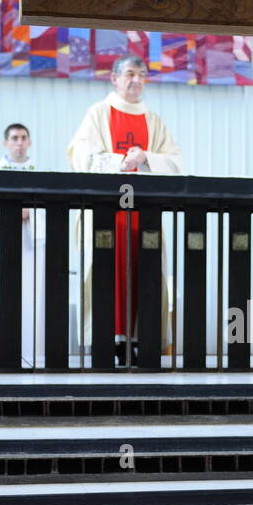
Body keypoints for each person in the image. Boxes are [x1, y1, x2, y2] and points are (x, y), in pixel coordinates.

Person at [67, 54, 184, 364]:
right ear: (114, 79)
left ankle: (141, 339)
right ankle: (109, 340)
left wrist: (146, 158)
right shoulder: (98, 113)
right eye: (129, 74)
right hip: (107, 212)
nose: (136, 80)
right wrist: (121, 162)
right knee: (107, 274)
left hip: (143, 215)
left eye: (141, 75)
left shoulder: (153, 120)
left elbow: (174, 161)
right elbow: (80, 152)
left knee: (145, 272)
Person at [0, 124, 45, 368]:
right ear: (5, 143)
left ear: (29, 142)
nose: (19, 143)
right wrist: (10, 213)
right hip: (0, 243)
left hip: (31, 244)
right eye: (14, 138)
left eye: (23, 138)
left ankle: (31, 353)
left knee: (31, 295)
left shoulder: (39, 172)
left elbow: (48, 206)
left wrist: (30, 212)